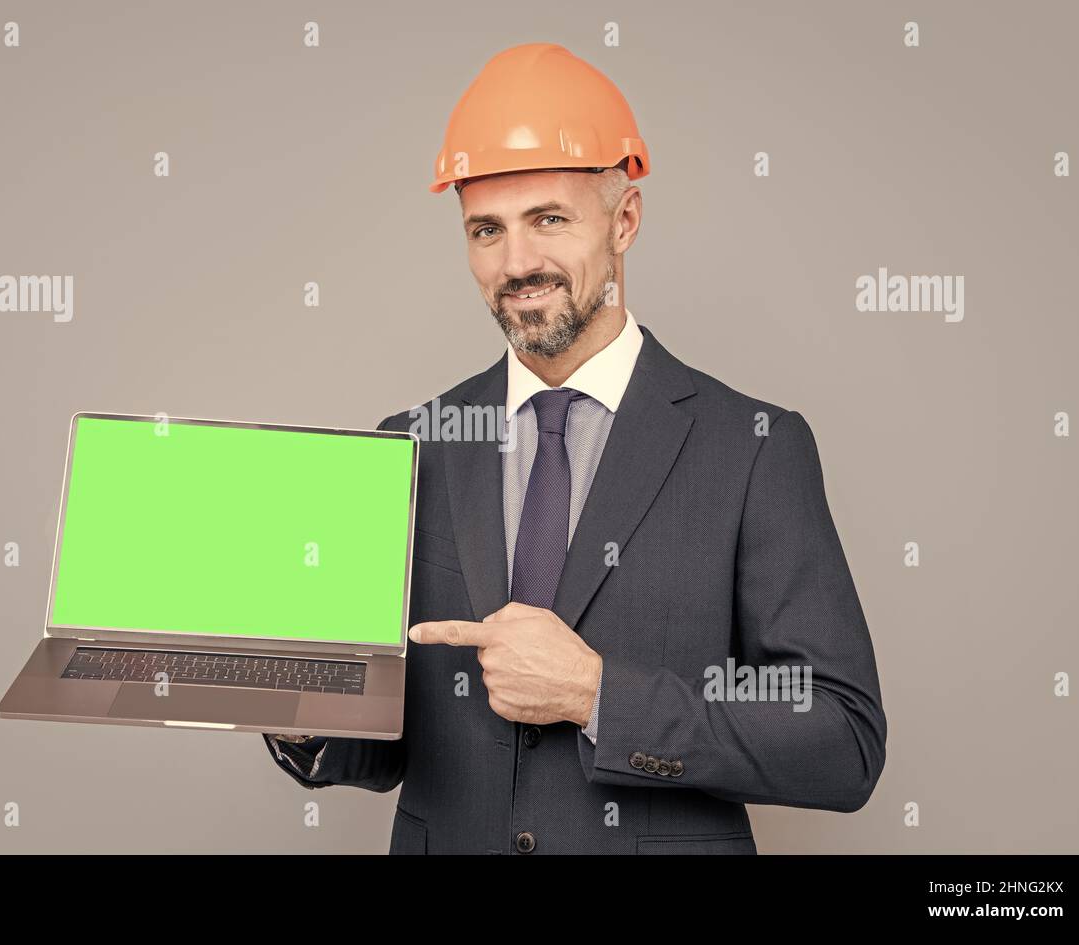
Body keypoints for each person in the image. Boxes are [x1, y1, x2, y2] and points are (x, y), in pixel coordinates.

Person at [263, 42, 885, 854]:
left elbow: (841, 740)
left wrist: (598, 695)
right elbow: (377, 746)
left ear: (623, 220)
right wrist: (284, 701)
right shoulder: (410, 447)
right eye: (486, 229)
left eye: (548, 220)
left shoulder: (754, 448)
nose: (517, 263)